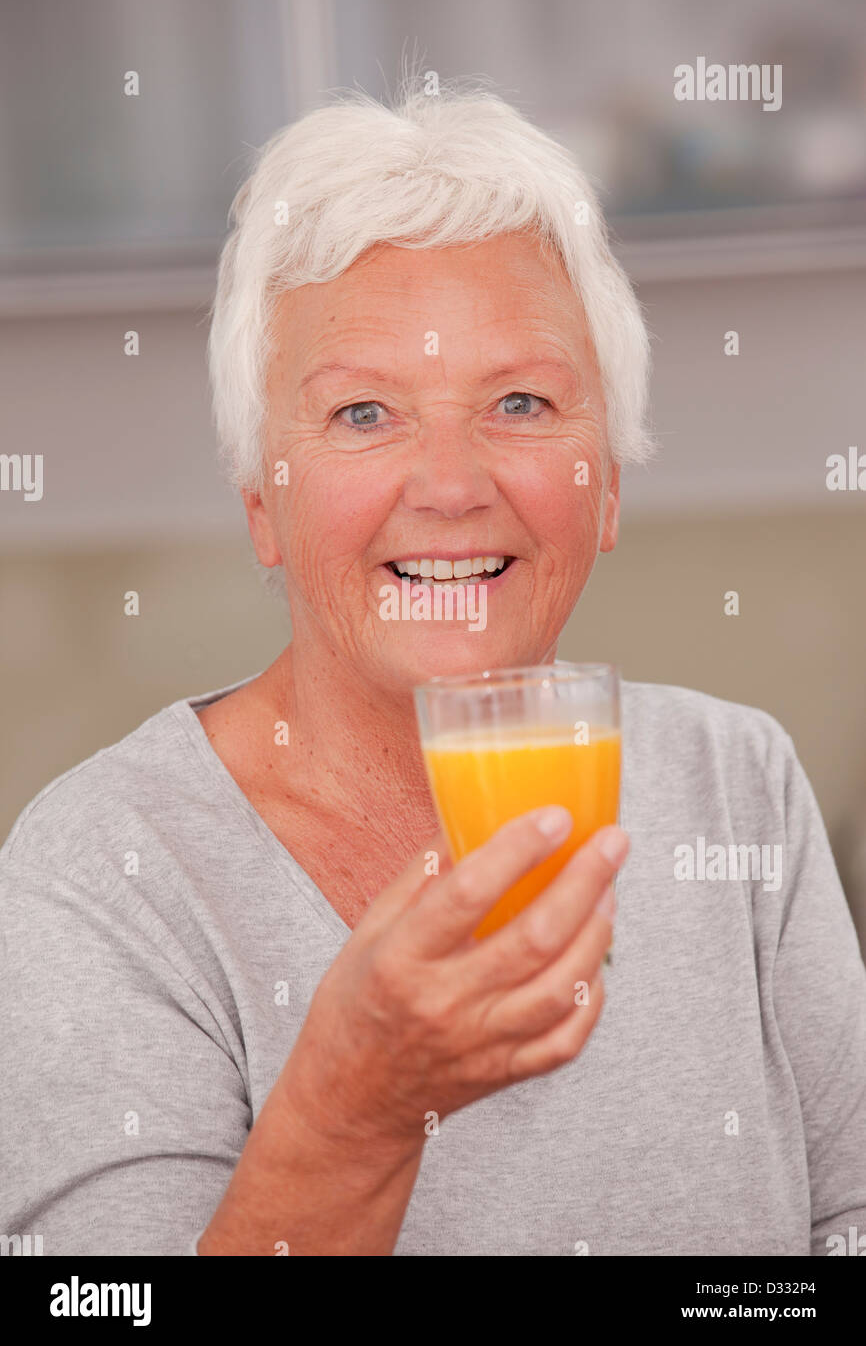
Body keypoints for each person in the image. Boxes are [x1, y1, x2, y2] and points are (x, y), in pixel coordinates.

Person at [2, 81, 864, 1257]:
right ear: (263, 505)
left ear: (607, 484)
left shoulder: (736, 781)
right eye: (362, 414)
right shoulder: (100, 872)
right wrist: (351, 1112)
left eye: (519, 401)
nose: (450, 484)